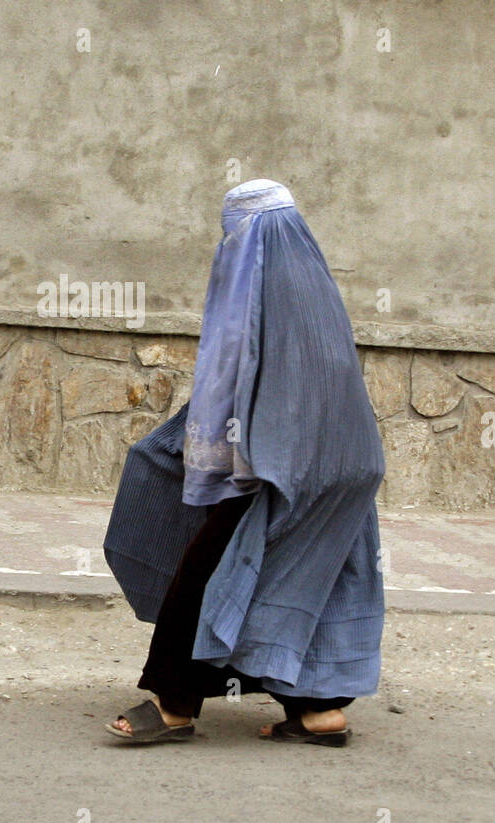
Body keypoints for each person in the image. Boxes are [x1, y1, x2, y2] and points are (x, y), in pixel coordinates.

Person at [102, 178, 386, 746]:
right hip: (341, 463)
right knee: (311, 579)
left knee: (207, 570)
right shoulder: (310, 286)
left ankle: (175, 701)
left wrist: (253, 467)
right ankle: (319, 713)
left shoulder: (266, 297)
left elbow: (255, 388)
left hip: (284, 467)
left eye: (233, 234)